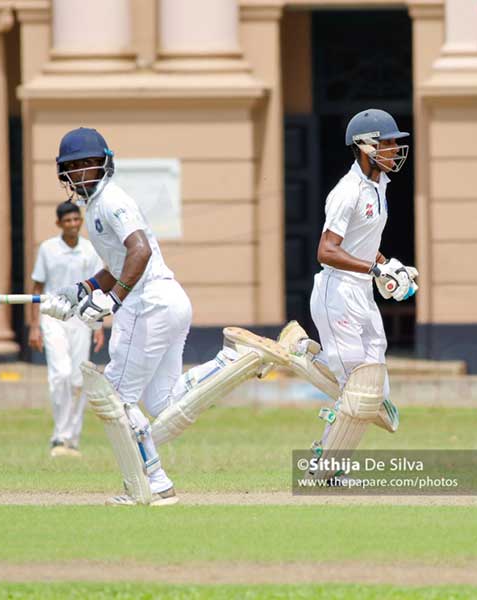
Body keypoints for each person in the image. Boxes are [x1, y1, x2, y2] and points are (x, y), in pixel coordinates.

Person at [40, 127, 290, 506]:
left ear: (103, 164)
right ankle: (235, 359)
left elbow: (138, 251)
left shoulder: (110, 201)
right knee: (164, 403)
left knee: (116, 399)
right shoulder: (94, 210)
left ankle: (152, 482)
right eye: (73, 167)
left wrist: (114, 298)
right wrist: (83, 289)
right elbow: (118, 264)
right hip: (167, 302)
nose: (79, 173)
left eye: (87, 164)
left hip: (148, 305)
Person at [277, 109, 418, 479]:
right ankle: (300, 355)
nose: (394, 150)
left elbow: (362, 243)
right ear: (365, 147)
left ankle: (329, 465)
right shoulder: (347, 191)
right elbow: (326, 250)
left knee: (373, 390)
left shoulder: (379, 186)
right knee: (354, 384)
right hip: (337, 291)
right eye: (387, 143)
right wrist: (374, 270)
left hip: (360, 293)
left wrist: (389, 267)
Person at [29, 201, 105, 457]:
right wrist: (33, 327)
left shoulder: (89, 250)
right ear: (59, 224)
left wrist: (98, 326)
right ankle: (59, 436)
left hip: (80, 318)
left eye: (76, 220)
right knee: (60, 374)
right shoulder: (48, 249)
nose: (73, 224)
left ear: (80, 221)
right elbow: (37, 288)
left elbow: (97, 289)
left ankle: (71, 438)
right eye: (68, 221)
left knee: (77, 379)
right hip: (52, 317)